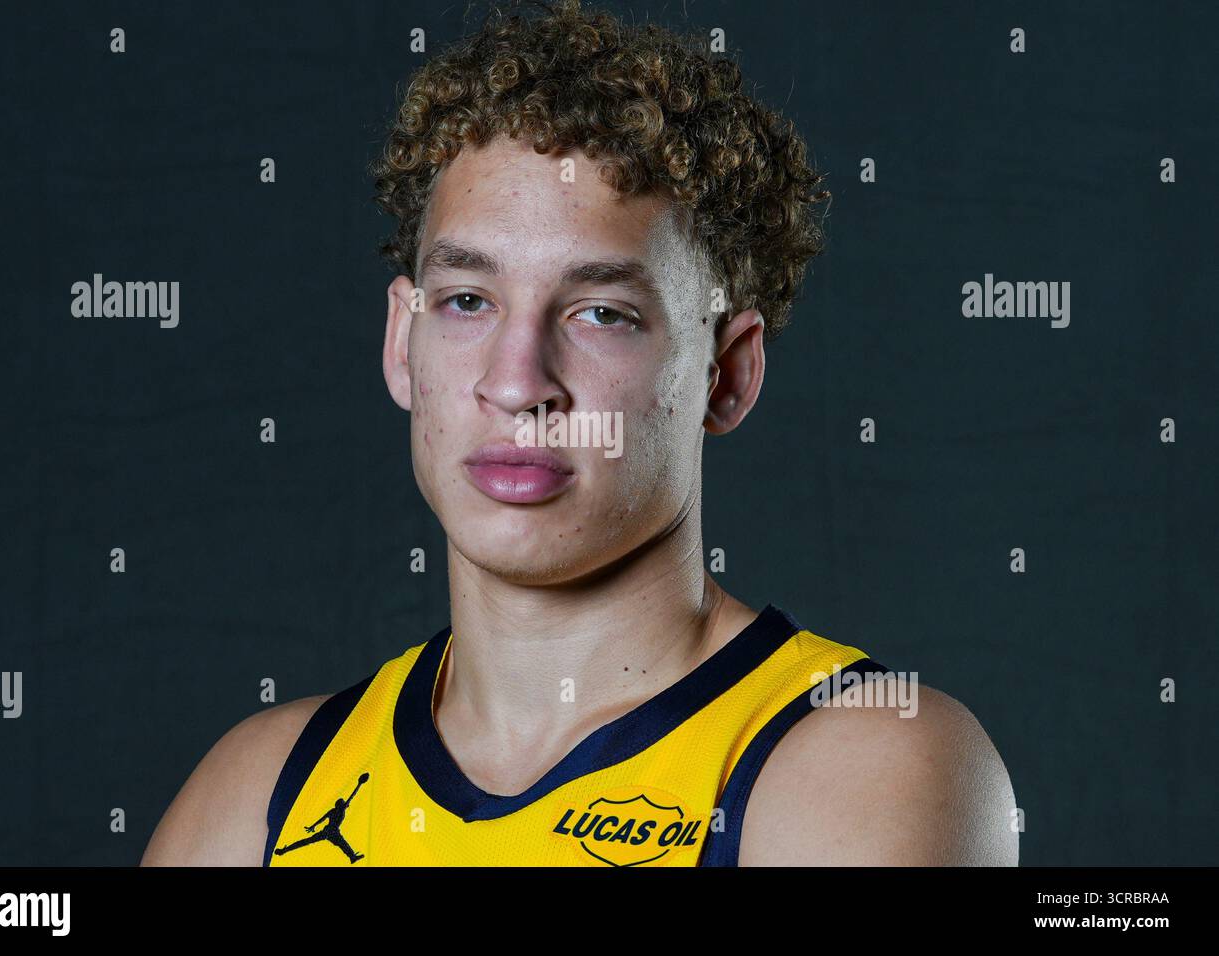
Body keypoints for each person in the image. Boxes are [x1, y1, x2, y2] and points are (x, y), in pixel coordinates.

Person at [143, 0, 1017, 867]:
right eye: (467, 302)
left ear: (728, 371)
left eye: (603, 312)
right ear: (401, 344)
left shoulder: (865, 761)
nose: (517, 383)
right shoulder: (258, 799)